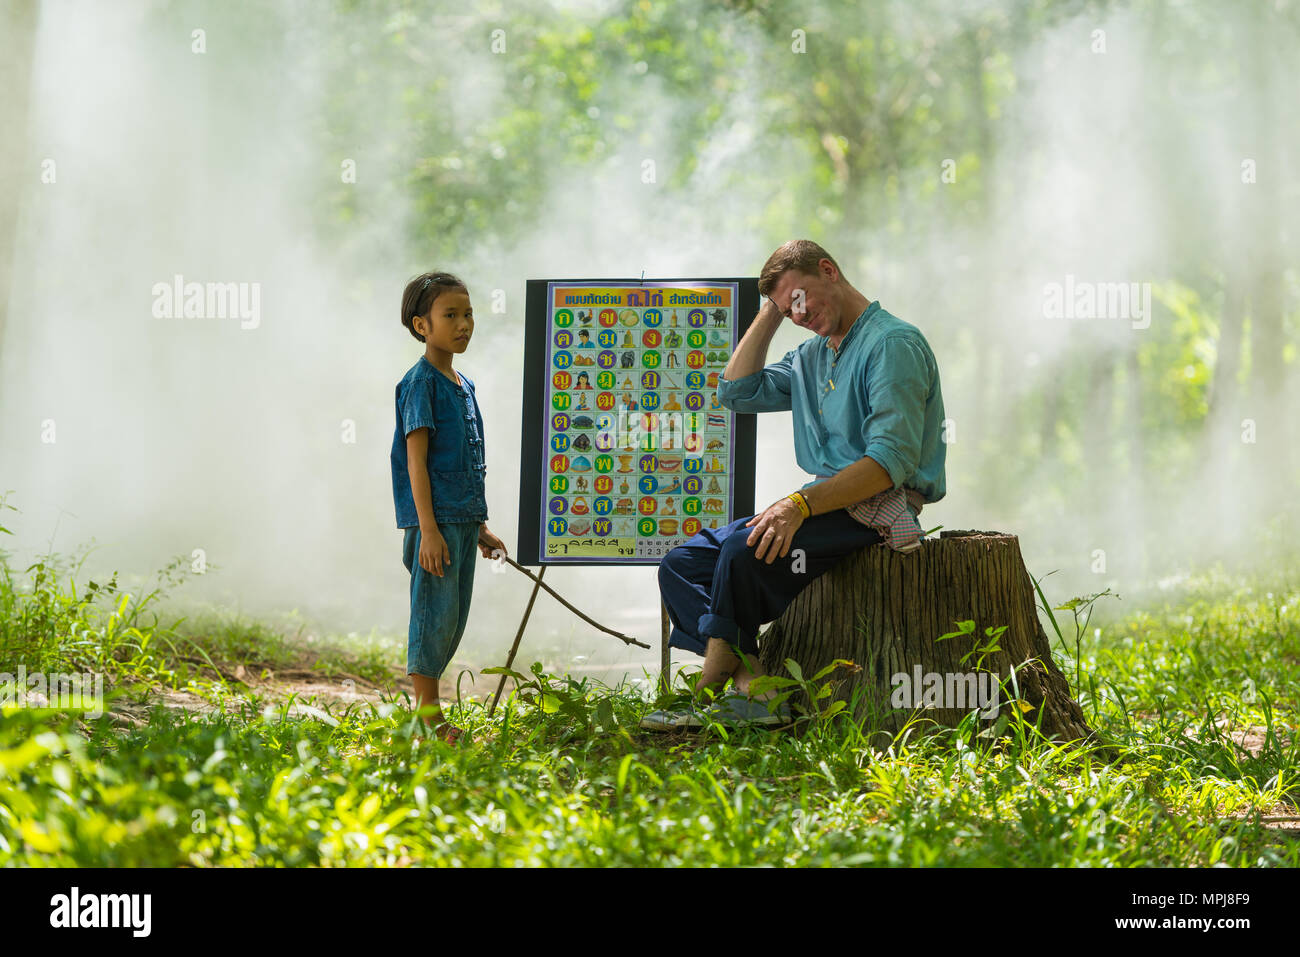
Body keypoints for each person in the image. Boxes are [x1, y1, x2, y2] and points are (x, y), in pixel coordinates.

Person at [644, 240, 947, 730]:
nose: (799, 315)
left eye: (801, 300)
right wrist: (772, 311)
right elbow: (735, 392)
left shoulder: (891, 345)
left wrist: (798, 506)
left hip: (877, 505)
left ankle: (716, 691)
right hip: (824, 502)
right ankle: (754, 689)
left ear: (829, 270)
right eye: (790, 310)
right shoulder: (811, 356)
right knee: (681, 564)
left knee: (743, 553)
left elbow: (888, 463)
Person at [391, 271, 509, 745]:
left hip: (462, 520)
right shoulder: (419, 384)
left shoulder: (464, 383)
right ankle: (426, 717)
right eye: (450, 316)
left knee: (454, 617)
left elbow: (465, 460)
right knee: (432, 615)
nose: (463, 325)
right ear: (422, 325)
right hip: (433, 524)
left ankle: (431, 713)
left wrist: (479, 526)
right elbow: (416, 463)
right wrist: (430, 529)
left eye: (468, 314)